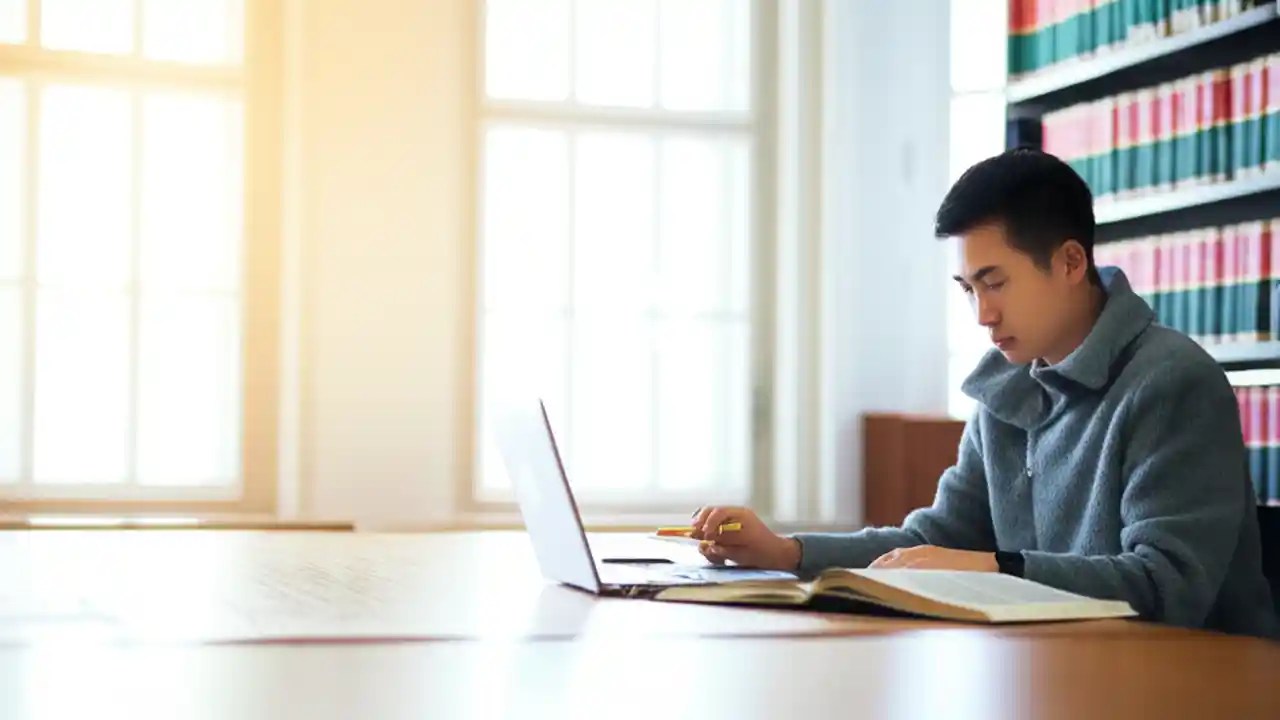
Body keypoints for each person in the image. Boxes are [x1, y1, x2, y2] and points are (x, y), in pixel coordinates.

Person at [691, 148, 1277, 638]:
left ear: (1071, 262)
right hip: (1056, 669)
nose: (982, 314)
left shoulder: (1173, 381)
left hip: (1193, 682)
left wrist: (996, 567)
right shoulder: (1006, 385)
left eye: (994, 283)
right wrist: (786, 553)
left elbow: (1166, 586)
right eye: (967, 288)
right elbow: (935, 542)